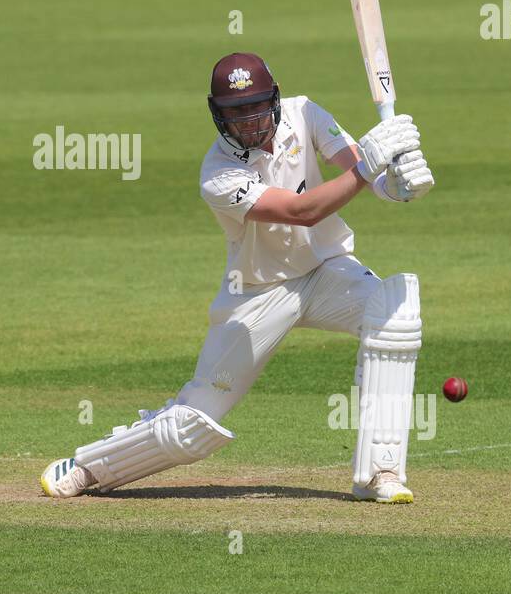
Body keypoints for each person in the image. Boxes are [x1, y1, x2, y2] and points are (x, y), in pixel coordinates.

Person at [41, 52, 436, 503]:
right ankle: (92, 466)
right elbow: (302, 211)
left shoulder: (304, 112)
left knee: (394, 314)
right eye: (235, 114)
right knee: (189, 427)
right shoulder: (218, 174)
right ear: (217, 115)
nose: (248, 123)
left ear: (274, 99)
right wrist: (370, 167)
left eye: (255, 108)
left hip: (327, 270)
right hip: (258, 294)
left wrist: (397, 184)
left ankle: (379, 474)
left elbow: (356, 168)